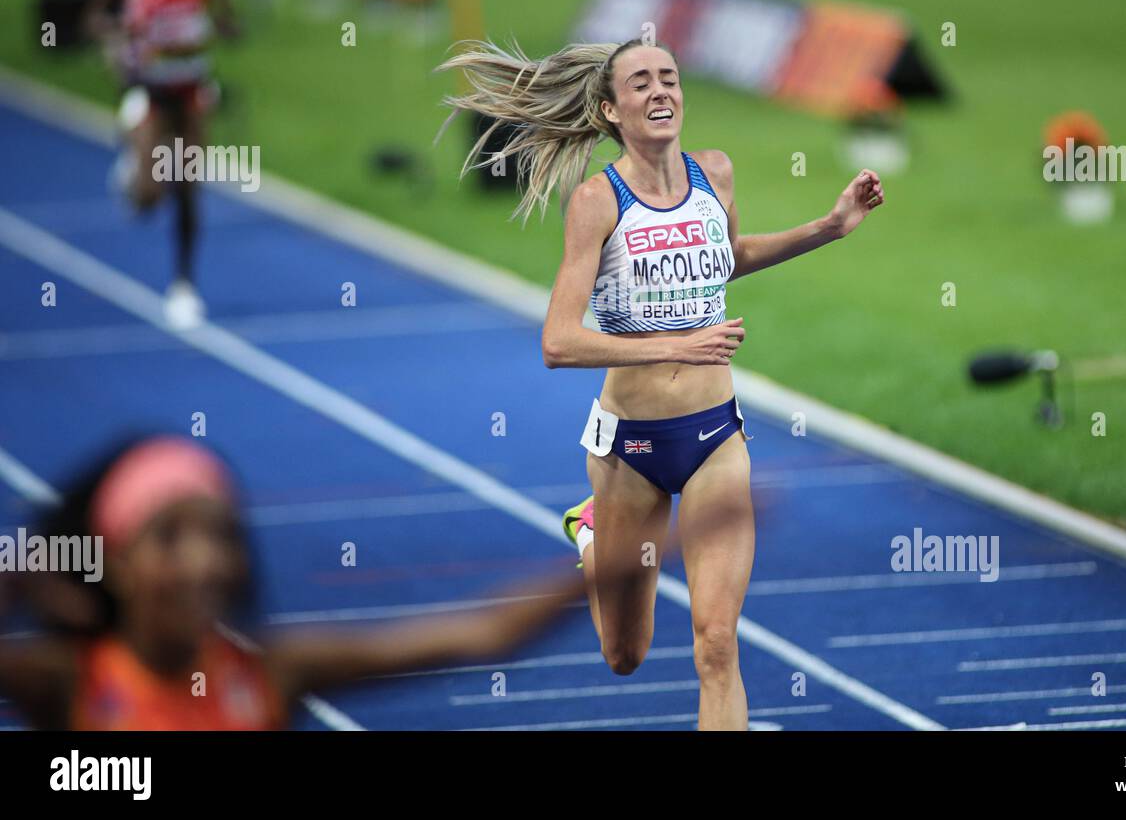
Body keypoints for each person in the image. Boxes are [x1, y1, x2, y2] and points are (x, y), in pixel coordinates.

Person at [436, 38, 884, 730]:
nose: (659, 91)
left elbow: (724, 259)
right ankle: (590, 534)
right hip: (628, 452)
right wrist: (677, 343)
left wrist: (830, 226)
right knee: (625, 653)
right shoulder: (596, 200)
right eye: (640, 83)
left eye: (668, 78)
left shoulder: (716, 174)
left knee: (716, 644)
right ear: (612, 109)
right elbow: (558, 342)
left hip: (714, 437)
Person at [0, 435, 699, 730]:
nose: (205, 561)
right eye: (171, 538)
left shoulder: (268, 672)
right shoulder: (70, 681)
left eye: (221, 534)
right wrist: (32, 576)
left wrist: (635, 547)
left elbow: (481, 632)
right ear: (115, 559)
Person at [86, 0, 238, 330]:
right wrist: (117, 38)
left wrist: (223, 27)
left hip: (190, 93)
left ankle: (184, 285)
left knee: (188, 187)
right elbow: (95, 15)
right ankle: (133, 164)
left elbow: (226, 17)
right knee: (149, 199)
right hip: (150, 93)